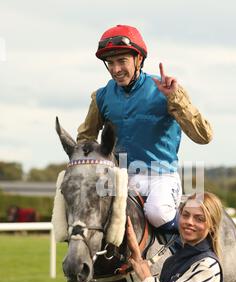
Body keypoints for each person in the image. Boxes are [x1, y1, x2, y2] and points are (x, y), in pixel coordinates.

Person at [77, 24, 213, 234]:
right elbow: (85, 139)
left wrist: (174, 99)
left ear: (139, 59)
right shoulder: (102, 96)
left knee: (157, 213)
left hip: (162, 175)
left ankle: (194, 249)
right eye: (110, 63)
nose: (115, 69)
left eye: (122, 61)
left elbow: (204, 136)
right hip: (121, 176)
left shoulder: (168, 89)